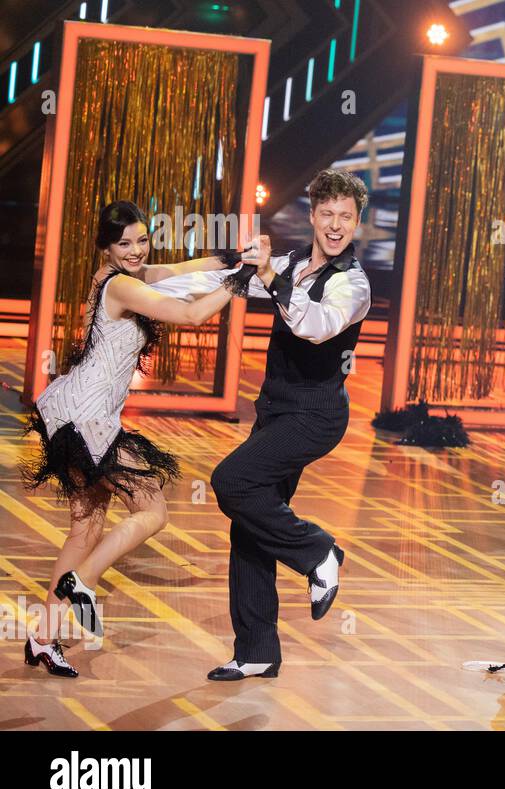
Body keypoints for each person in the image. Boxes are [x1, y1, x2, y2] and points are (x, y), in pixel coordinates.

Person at [20, 200, 265, 677]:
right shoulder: (121, 286)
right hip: (88, 418)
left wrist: (228, 257)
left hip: (71, 409)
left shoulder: (115, 276)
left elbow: (174, 268)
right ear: (106, 249)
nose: (135, 251)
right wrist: (239, 282)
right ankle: (84, 582)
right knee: (153, 512)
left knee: (85, 527)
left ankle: (42, 638)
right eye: (124, 244)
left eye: (141, 240)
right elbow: (188, 314)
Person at [150, 169, 372, 681]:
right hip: (275, 409)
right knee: (250, 521)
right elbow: (219, 279)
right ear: (312, 215)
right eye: (328, 214)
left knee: (230, 482)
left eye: (346, 217)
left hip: (316, 416)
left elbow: (313, 327)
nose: (336, 226)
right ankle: (256, 650)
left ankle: (319, 552)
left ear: (356, 223)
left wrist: (271, 276)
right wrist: (140, 275)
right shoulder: (290, 261)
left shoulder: (353, 283)